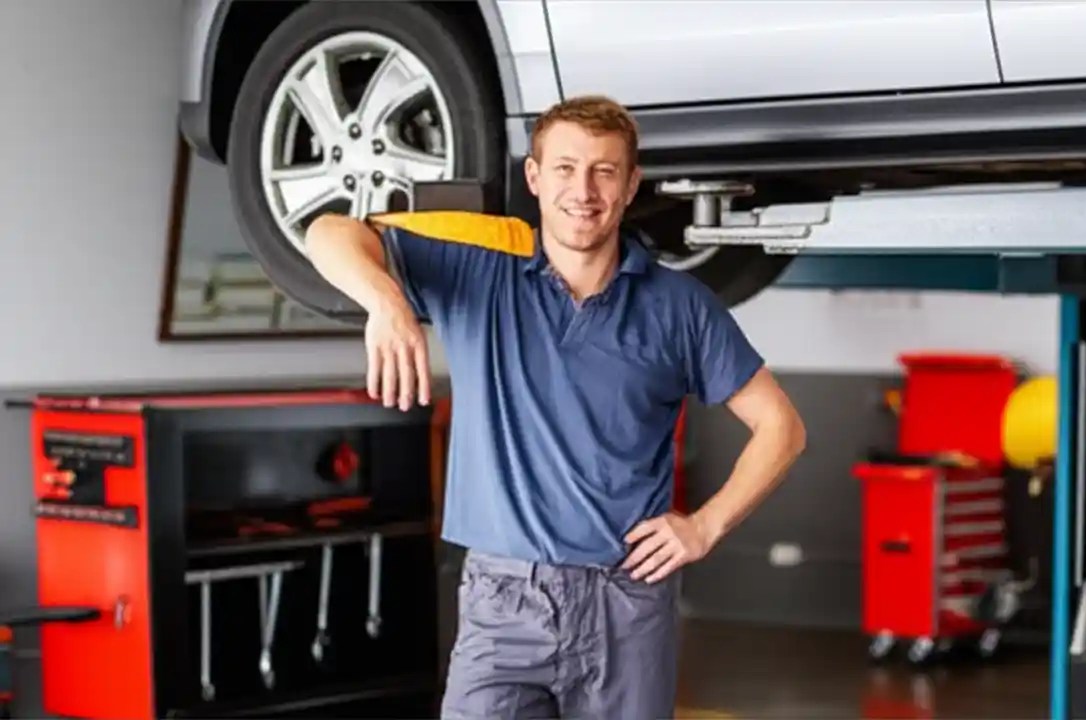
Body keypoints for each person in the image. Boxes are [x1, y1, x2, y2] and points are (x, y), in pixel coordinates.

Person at [303, 94, 806, 719]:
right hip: (502, 600)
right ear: (535, 177)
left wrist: (705, 526)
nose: (584, 191)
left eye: (604, 171)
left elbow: (781, 426)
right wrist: (386, 302)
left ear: (630, 185)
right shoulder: (476, 272)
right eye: (566, 168)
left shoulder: (681, 306)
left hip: (627, 603)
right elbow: (328, 232)